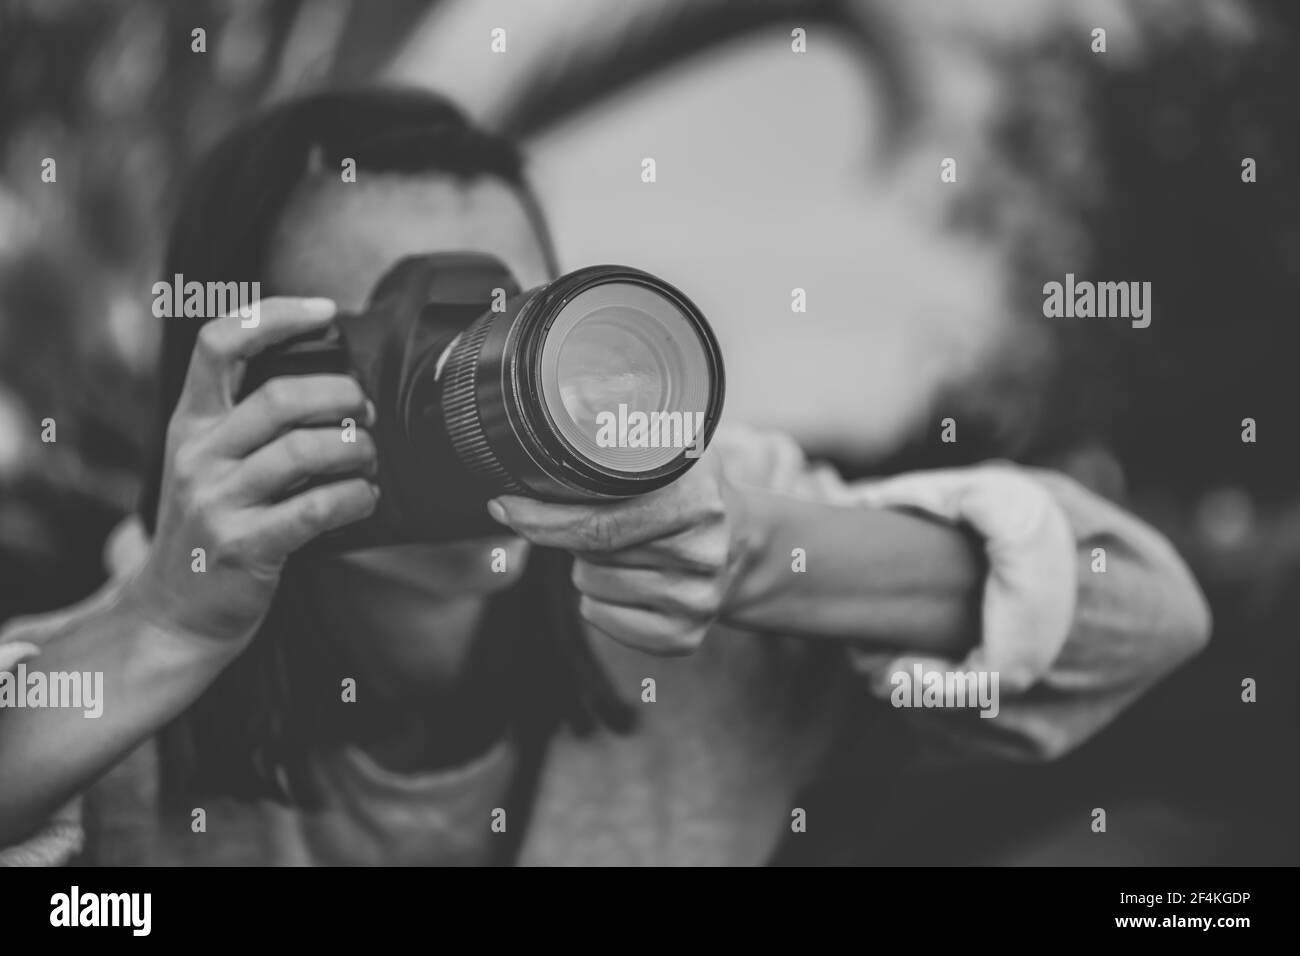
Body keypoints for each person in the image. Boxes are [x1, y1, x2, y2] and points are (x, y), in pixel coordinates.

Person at [0, 88, 1209, 866]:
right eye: (398, 325)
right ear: (241, 371)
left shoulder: (689, 578)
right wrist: (162, 626)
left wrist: (754, 556)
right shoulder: (99, 704)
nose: (477, 362)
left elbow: (1147, 616)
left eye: (512, 313)